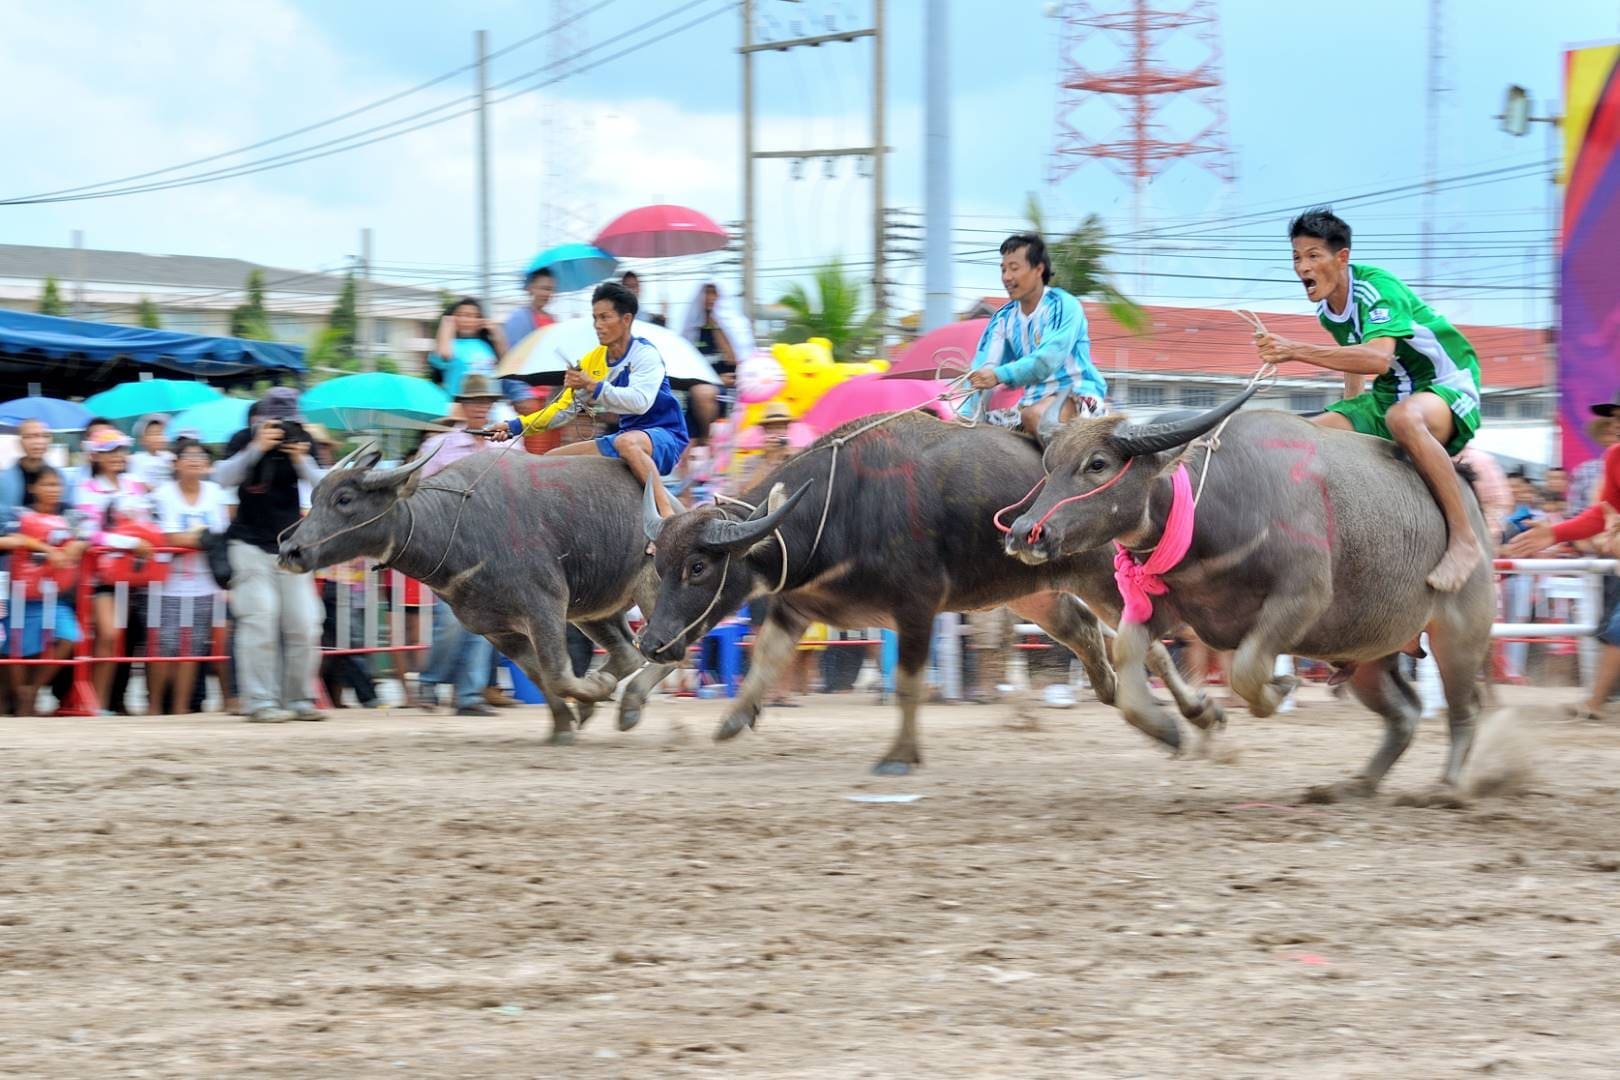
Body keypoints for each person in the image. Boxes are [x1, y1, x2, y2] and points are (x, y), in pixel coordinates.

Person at [1255, 208, 1485, 592]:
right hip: (1387, 396)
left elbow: (1376, 358)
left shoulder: (1376, 289)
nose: (1302, 267)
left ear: (1341, 257)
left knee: (1403, 419)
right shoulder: (1328, 311)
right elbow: (1352, 358)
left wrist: (1293, 350)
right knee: (1297, 438)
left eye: (1313, 256)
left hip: (1445, 386)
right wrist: (1349, 421)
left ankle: (1464, 539)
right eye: (1296, 257)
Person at [493, 282, 690, 517]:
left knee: (627, 443)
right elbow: (562, 411)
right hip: (625, 437)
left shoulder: (645, 355)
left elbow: (640, 403)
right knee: (547, 462)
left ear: (626, 320)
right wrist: (513, 427)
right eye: (595, 318)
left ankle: (666, 516)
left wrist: (591, 386)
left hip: (664, 436)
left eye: (605, 317)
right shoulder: (592, 361)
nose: (598, 325)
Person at [1506, 388, 1620, 720]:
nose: (1616, 423)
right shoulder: (1615, 457)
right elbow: (1602, 512)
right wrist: (1555, 532)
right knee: (1616, 628)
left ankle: (1595, 701)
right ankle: (1595, 702)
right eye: (1615, 417)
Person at [214, 388, 325, 723]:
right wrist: (256, 448)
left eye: (289, 421)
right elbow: (222, 478)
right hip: (248, 544)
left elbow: (325, 487)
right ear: (262, 419)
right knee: (259, 618)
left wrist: (301, 459)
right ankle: (260, 701)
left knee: (305, 623)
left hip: (291, 547)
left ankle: (299, 698)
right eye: (278, 422)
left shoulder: (303, 440)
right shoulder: (243, 439)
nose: (283, 429)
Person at [411, 374, 503, 716]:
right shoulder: (439, 446)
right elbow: (418, 493)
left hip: (492, 544)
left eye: (485, 402)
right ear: (463, 406)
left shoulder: (504, 444)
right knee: (450, 622)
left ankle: (469, 694)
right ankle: (430, 681)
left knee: (483, 620)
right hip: (449, 544)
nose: (481, 407)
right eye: (474, 401)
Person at [966, 233, 1109, 438]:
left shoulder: (1063, 305)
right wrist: (964, 416)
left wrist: (998, 375)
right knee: (975, 436)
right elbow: (982, 368)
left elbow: (1046, 361)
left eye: (1014, 268)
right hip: (1029, 404)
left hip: (1076, 395)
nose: (1006, 277)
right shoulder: (1003, 319)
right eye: (1003, 269)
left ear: (1038, 269)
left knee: (1036, 417)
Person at [71, 428, 155, 713]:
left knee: (121, 638)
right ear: (95, 456)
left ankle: (104, 702)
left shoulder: (134, 485)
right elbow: (89, 533)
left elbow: (147, 525)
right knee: (107, 635)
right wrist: (130, 542)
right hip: (99, 576)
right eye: (110, 451)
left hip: (133, 574)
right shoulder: (87, 488)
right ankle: (93, 703)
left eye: (121, 450)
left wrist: (136, 538)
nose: (117, 456)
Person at [149, 438, 229, 715]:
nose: (195, 460)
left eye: (201, 456)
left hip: (205, 581)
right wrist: (203, 538)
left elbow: (221, 535)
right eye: (189, 455)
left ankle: (181, 707)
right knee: (164, 646)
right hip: (167, 583)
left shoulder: (215, 492)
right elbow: (166, 536)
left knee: (192, 648)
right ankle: (154, 707)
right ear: (176, 463)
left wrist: (196, 539)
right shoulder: (163, 493)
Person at [2, 467, 85, 715]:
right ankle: (21, 700)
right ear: (33, 488)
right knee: (14, 649)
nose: (53, 490)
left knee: (69, 636)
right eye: (47, 484)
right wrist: (45, 549)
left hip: (54, 596)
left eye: (57, 485)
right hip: (19, 594)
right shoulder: (19, 515)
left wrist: (79, 544)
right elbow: (9, 539)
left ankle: (34, 690)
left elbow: (91, 535)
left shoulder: (70, 515)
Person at [678, 280, 752, 444]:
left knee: (703, 393)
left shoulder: (733, 328)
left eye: (714, 293)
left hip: (727, 392)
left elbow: (734, 359)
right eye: (706, 293)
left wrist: (716, 324)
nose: (709, 298)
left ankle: (706, 439)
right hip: (697, 391)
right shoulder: (693, 330)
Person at [429, 297, 506, 398]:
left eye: (475, 316)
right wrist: (446, 327)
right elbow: (444, 356)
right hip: (459, 402)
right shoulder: (448, 344)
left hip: (489, 401)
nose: (468, 320)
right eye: (462, 315)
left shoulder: (486, 344)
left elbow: (506, 362)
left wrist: (496, 332)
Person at [0, 418, 72, 518]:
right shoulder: (4, 479)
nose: (37, 441)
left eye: (43, 436)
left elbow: (65, 512)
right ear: (20, 442)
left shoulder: (59, 477)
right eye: (29, 437)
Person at [502, 266, 557, 350]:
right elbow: (515, 351)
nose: (547, 294)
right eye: (543, 288)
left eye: (550, 289)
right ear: (530, 288)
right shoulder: (519, 318)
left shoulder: (553, 319)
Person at [129, 414, 173, 491]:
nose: (158, 437)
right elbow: (135, 483)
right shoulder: (136, 459)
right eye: (153, 434)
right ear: (141, 439)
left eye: (161, 433)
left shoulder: (170, 457)